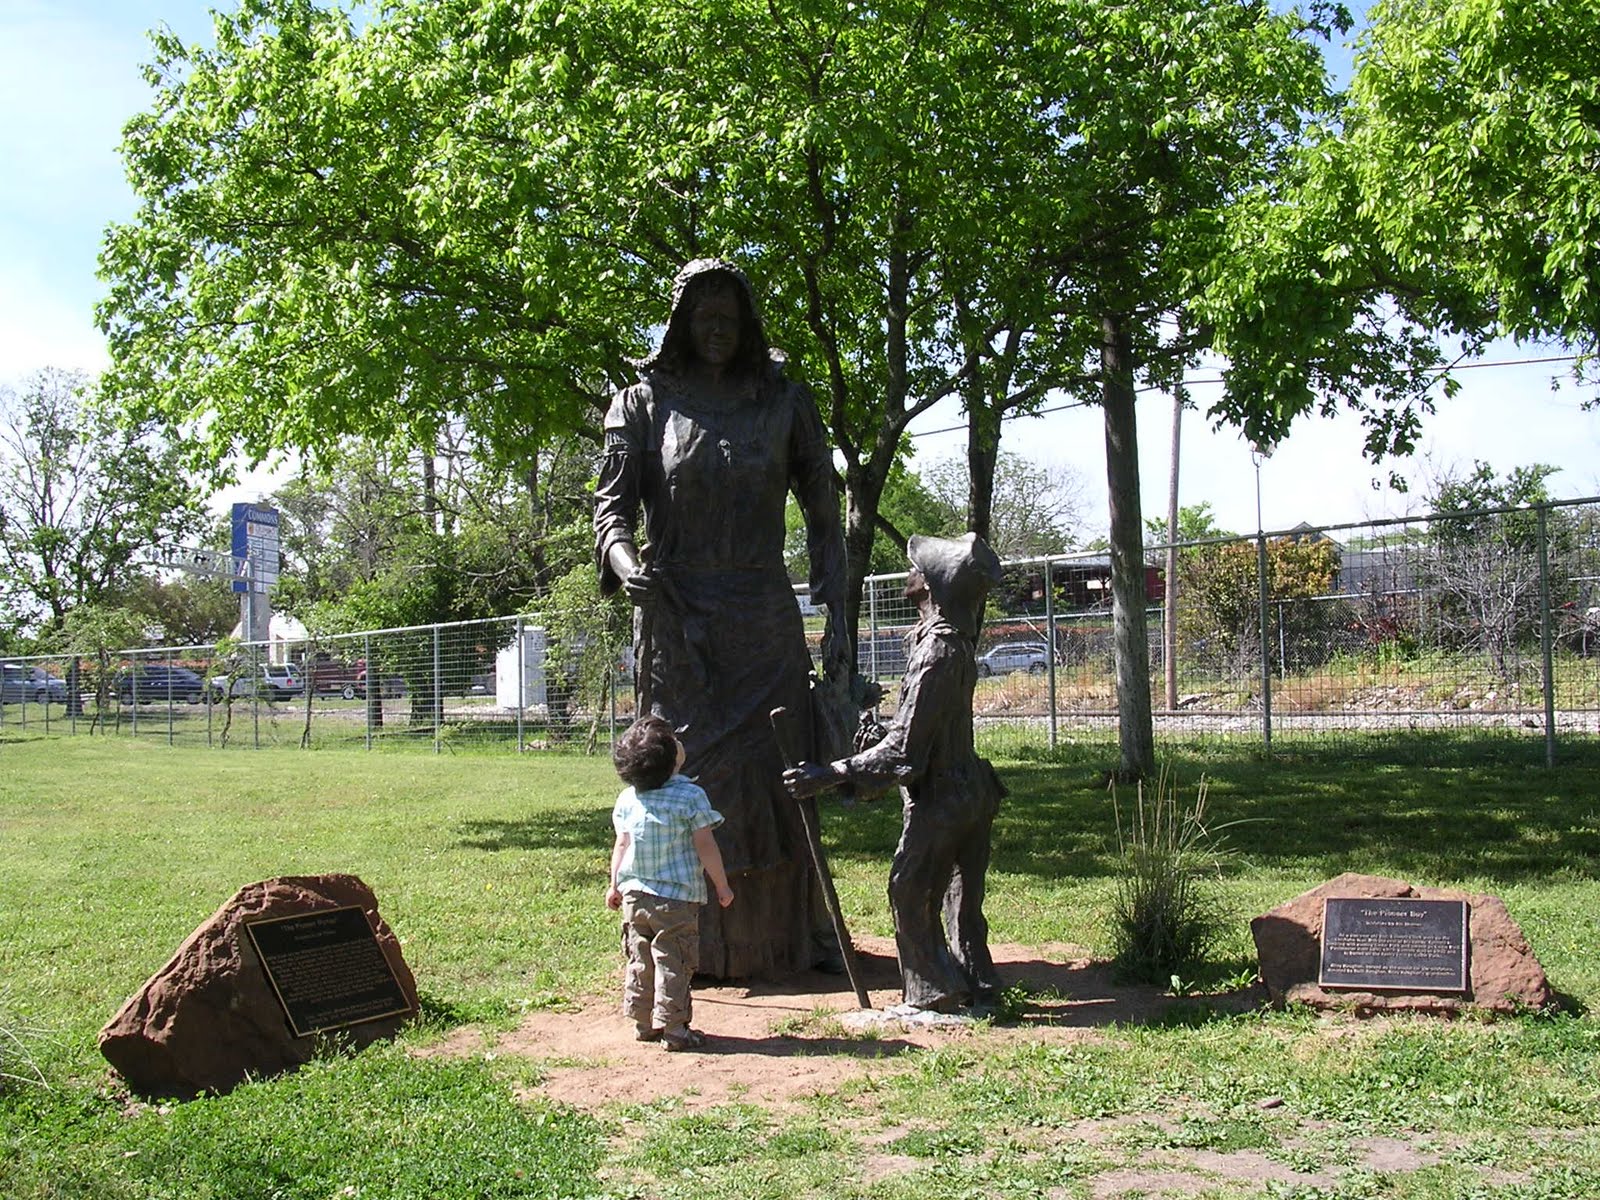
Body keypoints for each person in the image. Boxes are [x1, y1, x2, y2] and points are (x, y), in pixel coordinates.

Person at [594, 258, 850, 979]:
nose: (715, 330)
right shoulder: (641, 403)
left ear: (745, 325)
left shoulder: (784, 401)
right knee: (680, 771)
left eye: (727, 318)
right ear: (679, 323)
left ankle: (799, 931)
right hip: (677, 619)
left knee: (782, 772)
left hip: (764, 616)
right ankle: (683, 943)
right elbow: (610, 510)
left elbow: (823, 504)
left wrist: (836, 599)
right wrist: (623, 562)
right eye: (701, 317)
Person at [784, 533, 1006, 1013]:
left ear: (929, 585)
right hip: (970, 790)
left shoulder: (935, 652)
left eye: (916, 568)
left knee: (910, 889)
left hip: (943, 797)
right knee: (960, 898)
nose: (909, 573)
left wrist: (832, 772)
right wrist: (876, 724)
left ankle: (934, 995)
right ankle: (977, 981)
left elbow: (906, 752)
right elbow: (921, 730)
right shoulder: (950, 642)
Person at [607, 715, 735, 1051]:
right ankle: (676, 1029)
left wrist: (614, 885)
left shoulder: (627, 799)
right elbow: (705, 845)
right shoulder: (690, 797)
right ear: (673, 758)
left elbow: (622, 844)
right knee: (673, 961)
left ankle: (642, 1021)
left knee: (640, 958)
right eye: (674, 740)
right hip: (675, 900)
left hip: (634, 897)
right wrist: (722, 886)